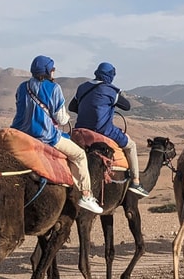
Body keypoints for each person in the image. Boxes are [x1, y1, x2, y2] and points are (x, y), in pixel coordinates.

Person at [12, 56, 104, 214]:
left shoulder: (22, 87)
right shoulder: (54, 89)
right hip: (45, 136)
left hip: (19, 134)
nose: (54, 71)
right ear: (48, 71)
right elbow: (61, 118)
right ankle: (86, 195)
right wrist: (67, 117)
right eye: (53, 69)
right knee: (80, 155)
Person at [68, 62, 149, 198]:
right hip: (103, 130)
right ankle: (135, 182)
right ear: (111, 76)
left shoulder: (82, 88)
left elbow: (72, 107)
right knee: (131, 146)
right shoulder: (110, 90)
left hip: (81, 130)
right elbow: (127, 106)